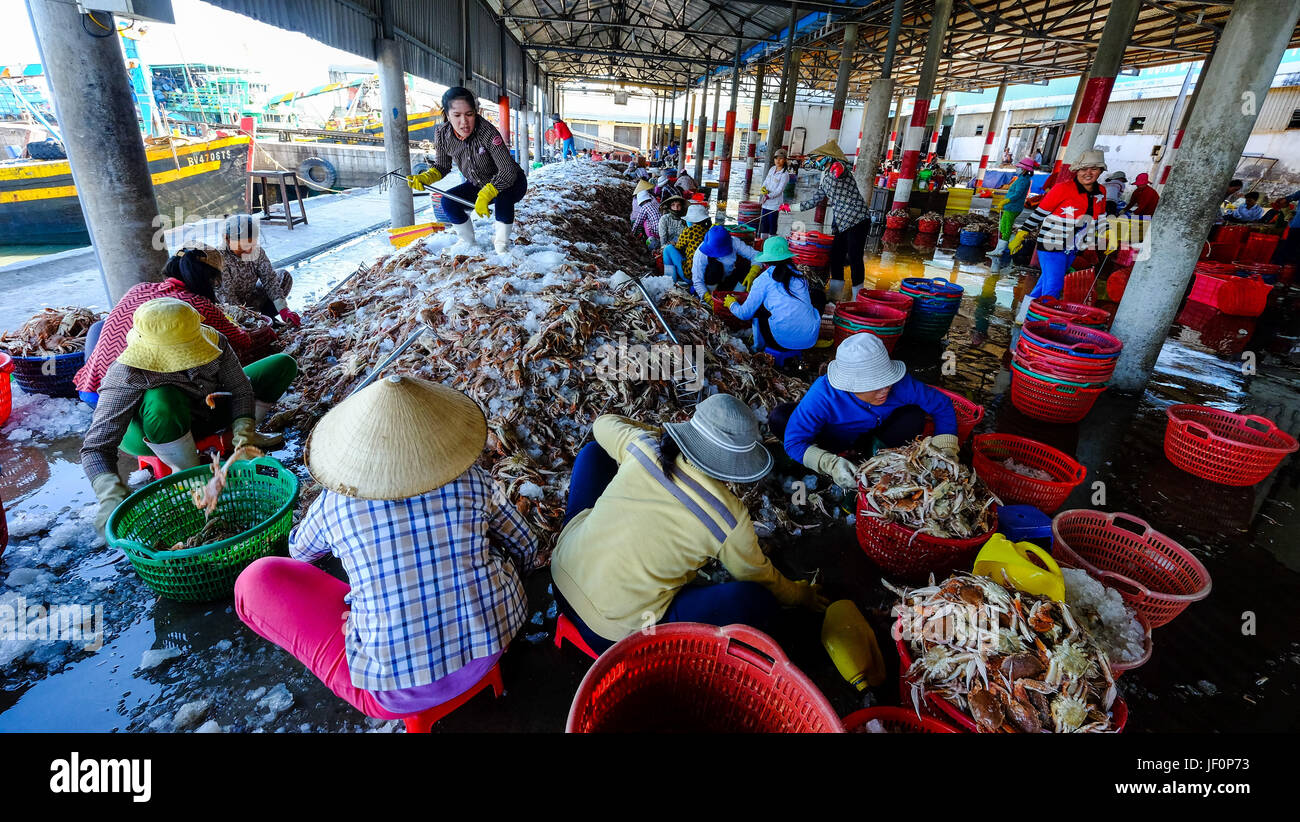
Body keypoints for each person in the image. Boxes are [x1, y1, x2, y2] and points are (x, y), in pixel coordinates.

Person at [235, 375, 536, 721]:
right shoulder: (474, 480)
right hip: (492, 648)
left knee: (257, 578)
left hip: (396, 692)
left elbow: (300, 554)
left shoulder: (336, 503)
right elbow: (525, 544)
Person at [549, 394, 828, 654]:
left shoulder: (644, 446)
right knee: (754, 600)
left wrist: (660, 437)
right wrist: (799, 594)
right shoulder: (729, 517)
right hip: (611, 636)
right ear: (738, 465)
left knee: (594, 453)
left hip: (560, 577)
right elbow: (759, 576)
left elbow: (603, 423)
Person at [83, 298, 296, 532]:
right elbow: (96, 447)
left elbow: (240, 388)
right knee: (163, 398)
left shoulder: (215, 342)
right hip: (152, 429)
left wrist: (243, 434)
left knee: (281, 364)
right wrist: (110, 493)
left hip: (207, 409)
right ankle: (186, 470)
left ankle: (237, 439)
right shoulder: (126, 372)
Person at [73, 248, 276, 406]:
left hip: (91, 391)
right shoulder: (198, 304)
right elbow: (243, 340)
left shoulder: (137, 289)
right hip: (135, 400)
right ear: (207, 279)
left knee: (100, 326)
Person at [768, 333, 959, 491]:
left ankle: (872, 457)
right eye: (875, 386)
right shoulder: (824, 395)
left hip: (873, 437)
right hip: (830, 438)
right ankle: (833, 462)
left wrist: (947, 449)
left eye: (887, 381)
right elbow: (793, 442)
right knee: (781, 418)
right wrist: (829, 463)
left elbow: (941, 405)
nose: (885, 389)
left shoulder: (901, 385)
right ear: (850, 386)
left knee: (913, 416)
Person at [407, 87, 529, 254]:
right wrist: (427, 177)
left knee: (503, 197)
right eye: (457, 115)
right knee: (448, 202)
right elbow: (442, 166)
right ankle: (467, 242)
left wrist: (488, 193)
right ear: (447, 115)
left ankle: (502, 245)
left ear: (475, 113)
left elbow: (508, 170)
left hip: (512, 182)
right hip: (479, 183)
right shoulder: (443, 134)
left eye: (469, 114)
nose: (464, 122)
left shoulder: (487, 132)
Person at [1011, 148, 1109, 315]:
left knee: (1045, 283)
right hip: (1051, 242)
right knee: (1054, 287)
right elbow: (1039, 213)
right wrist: (1021, 234)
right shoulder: (1063, 188)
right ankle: (1038, 324)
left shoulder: (1101, 192)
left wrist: (1107, 236)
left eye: (1094, 168)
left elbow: (1100, 217)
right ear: (1077, 170)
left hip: (1073, 245)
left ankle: (1023, 317)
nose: (1088, 173)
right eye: (1084, 168)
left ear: (1100, 171)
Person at [781, 141, 871, 302]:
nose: (815, 161)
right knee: (835, 256)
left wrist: (838, 167)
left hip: (857, 219)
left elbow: (841, 170)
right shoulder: (826, 180)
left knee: (855, 257)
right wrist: (790, 207)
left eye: (817, 158)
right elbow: (813, 201)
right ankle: (835, 294)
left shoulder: (841, 170)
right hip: (842, 223)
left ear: (828, 158)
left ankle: (859, 297)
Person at [724, 237, 821, 353]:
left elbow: (744, 314)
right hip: (809, 339)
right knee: (817, 297)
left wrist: (731, 304)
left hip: (781, 343)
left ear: (766, 261)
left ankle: (757, 348)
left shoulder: (763, 280)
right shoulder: (799, 276)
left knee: (758, 311)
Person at [214, 216, 299, 326]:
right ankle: (259, 322)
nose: (249, 250)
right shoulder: (219, 258)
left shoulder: (256, 252)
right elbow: (229, 299)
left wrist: (283, 309)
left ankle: (268, 317)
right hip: (229, 309)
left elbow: (269, 279)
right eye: (243, 246)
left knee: (283, 276)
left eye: (252, 244)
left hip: (251, 298)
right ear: (227, 239)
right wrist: (253, 322)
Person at [691, 224, 760, 298]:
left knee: (746, 267)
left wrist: (753, 272)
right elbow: (697, 280)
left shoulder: (734, 242)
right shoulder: (701, 253)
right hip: (710, 283)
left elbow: (756, 255)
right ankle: (712, 297)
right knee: (716, 267)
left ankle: (735, 297)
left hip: (727, 279)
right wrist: (706, 297)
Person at [990, 157, 1036, 257]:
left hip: (1013, 208)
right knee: (1003, 227)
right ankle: (1005, 247)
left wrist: (1007, 200)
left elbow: (1017, 194)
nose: (1017, 168)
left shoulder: (1024, 180)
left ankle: (1000, 251)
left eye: (1020, 167)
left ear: (1025, 169)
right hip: (1009, 206)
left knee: (1006, 229)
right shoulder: (1021, 178)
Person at [663, 203, 711, 285]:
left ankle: (669, 282)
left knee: (668, 249)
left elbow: (678, 247)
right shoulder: (709, 232)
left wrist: (674, 244)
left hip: (690, 276)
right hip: (705, 276)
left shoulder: (689, 231)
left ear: (691, 220)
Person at [758, 148, 795, 237]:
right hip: (765, 203)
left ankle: (772, 242)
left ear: (785, 160)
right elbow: (766, 181)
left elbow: (779, 190)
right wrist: (763, 189)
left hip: (774, 205)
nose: (778, 161)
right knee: (763, 225)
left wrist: (768, 196)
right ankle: (763, 243)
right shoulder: (772, 169)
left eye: (781, 158)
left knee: (772, 225)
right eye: (776, 158)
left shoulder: (784, 174)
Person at [656, 194, 689, 266]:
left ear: (682, 206)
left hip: (683, 248)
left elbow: (688, 239)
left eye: (678, 205)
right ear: (670, 207)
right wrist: (666, 247)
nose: (676, 208)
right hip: (667, 248)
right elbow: (663, 239)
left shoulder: (686, 219)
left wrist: (677, 244)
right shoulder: (664, 219)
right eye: (673, 205)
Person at [629, 181, 660, 249]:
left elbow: (638, 222)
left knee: (645, 222)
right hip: (663, 229)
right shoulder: (654, 204)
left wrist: (632, 233)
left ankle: (651, 246)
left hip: (656, 232)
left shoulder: (644, 207)